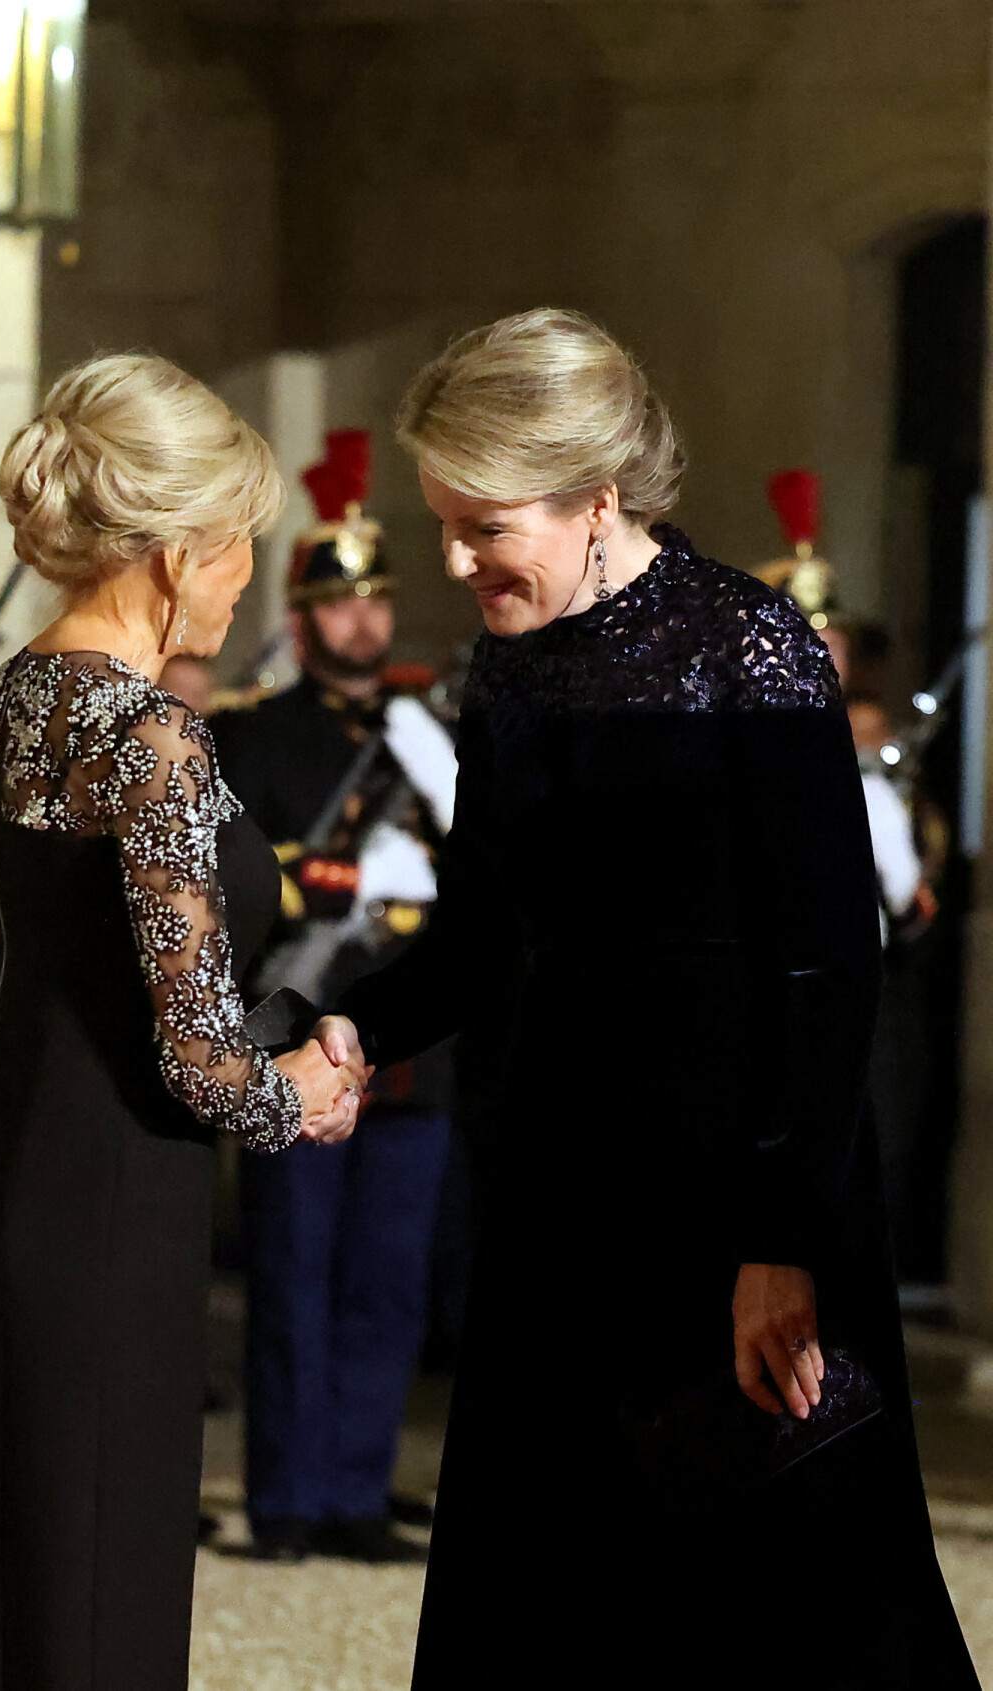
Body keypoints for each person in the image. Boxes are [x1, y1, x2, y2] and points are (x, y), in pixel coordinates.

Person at [317, 310, 978, 1688]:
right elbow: (483, 932)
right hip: (562, 1201)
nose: (455, 560)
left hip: (742, 1207)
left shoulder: (754, 648)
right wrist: (357, 1030)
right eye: (442, 522)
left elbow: (827, 965)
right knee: (551, 1602)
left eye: (482, 525)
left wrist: (780, 1241)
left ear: (597, 498)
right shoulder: (509, 667)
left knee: (781, 1616)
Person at [0, 354, 366, 1691]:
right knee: (99, 1584)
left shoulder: (11, 700)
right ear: (175, 548)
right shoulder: (151, 737)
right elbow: (198, 1055)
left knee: (4, 1575)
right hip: (114, 1207)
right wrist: (305, 1087)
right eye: (236, 549)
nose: (244, 579)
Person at [212, 430, 456, 1564]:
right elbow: (238, 879)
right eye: (337, 603)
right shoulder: (253, 732)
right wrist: (347, 874)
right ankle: (288, 1496)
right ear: (304, 614)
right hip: (303, 1022)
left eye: (375, 601)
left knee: (386, 1280)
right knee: (294, 1275)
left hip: (411, 1037)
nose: (361, 622)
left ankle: (358, 1488)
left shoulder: (431, 738)